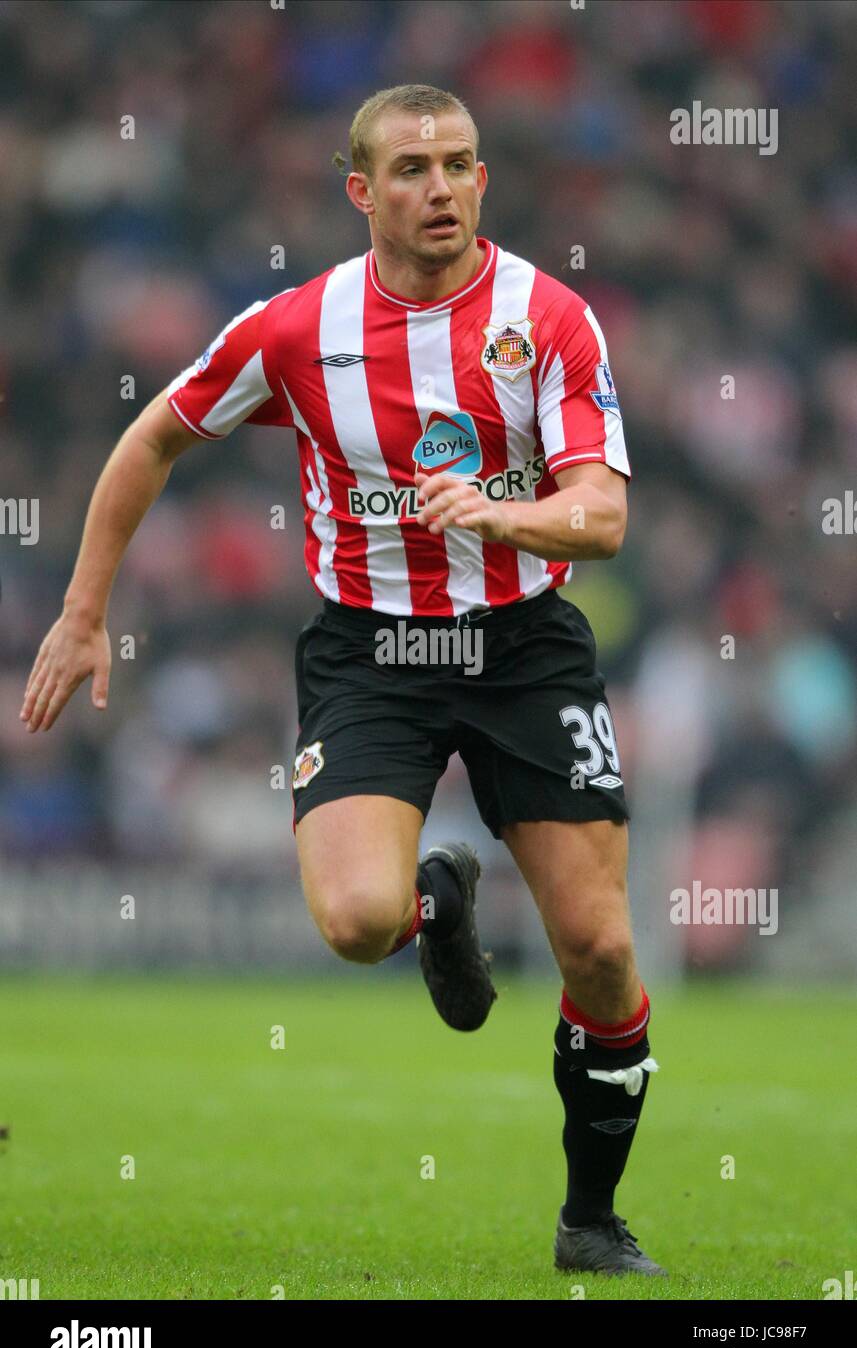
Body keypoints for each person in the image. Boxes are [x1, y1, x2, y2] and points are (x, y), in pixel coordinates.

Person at [20, 83, 663, 1279]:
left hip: (521, 646)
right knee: (356, 922)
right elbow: (153, 433)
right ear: (360, 190)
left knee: (601, 951)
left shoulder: (547, 316)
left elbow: (606, 516)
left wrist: (503, 513)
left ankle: (589, 1219)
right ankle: (436, 898)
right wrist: (82, 613)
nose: (441, 190)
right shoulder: (297, 328)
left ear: (483, 180)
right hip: (372, 652)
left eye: (460, 165)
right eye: (412, 168)